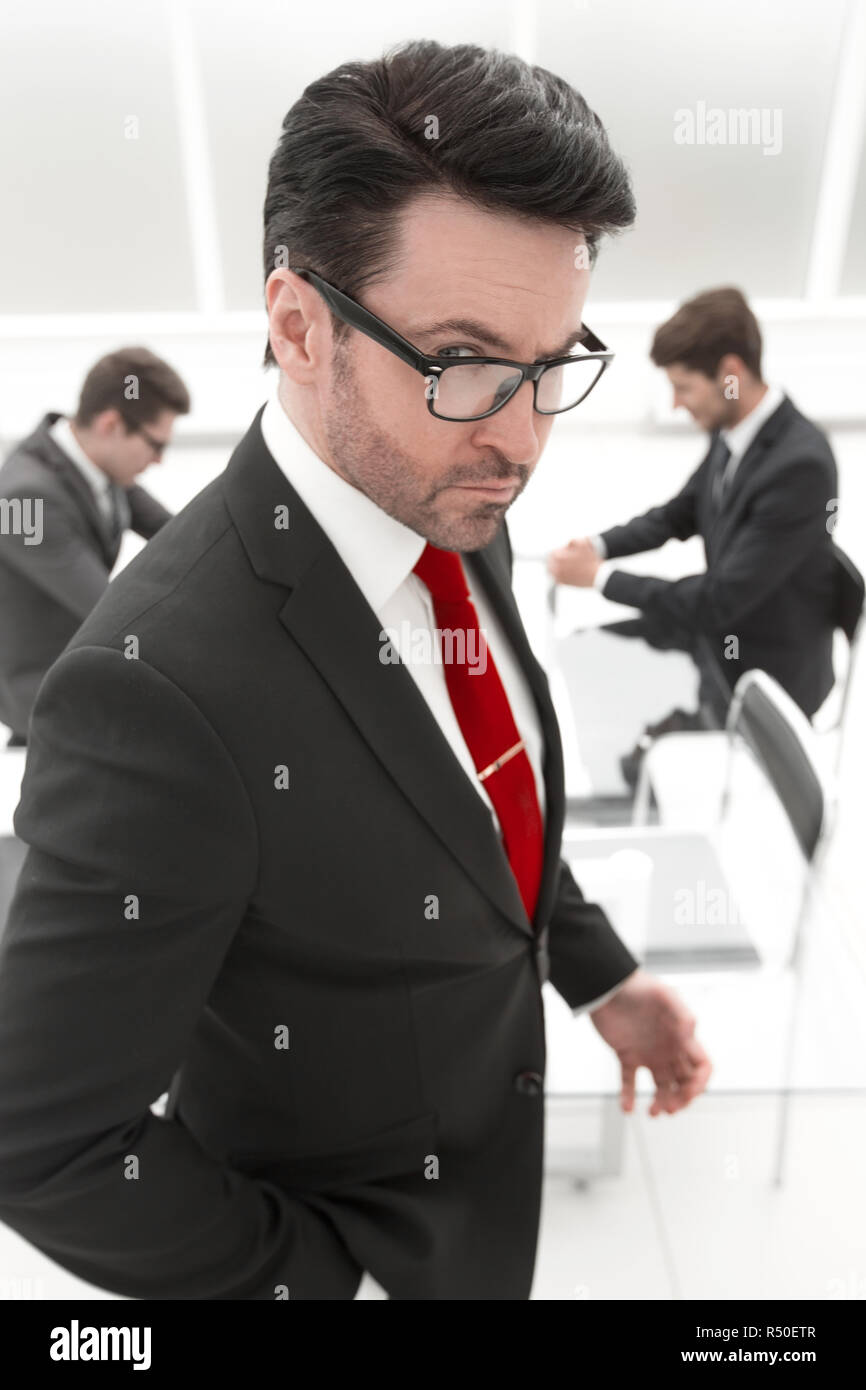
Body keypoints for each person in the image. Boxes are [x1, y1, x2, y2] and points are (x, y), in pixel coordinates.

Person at [0, 40, 711, 1301]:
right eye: (465, 363)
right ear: (297, 325)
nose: (521, 437)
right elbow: (42, 1143)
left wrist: (592, 975)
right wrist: (331, 1286)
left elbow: (474, 809)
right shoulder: (153, 690)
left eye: (553, 367)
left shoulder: (448, 489)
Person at [548, 288, 839, 782]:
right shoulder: (736, 431)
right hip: (722, 631)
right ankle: (628, 770)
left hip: (757, 664)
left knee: (604, 668)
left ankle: (649, 776)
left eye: (683, 387)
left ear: (730, 373)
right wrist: (599, 546)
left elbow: (718, 601)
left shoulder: (801, 465)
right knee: (584, 652)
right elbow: (678, 515)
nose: (677, 404)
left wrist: (600, 578)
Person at [0, 347, 190, 746]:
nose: (158, 461)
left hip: (98, 681)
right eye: (155, 445)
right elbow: (109, 612)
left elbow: (184, 537)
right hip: (51, 710)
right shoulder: (24, 501)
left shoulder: (99, 468)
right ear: (111, 424)